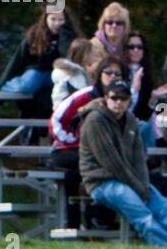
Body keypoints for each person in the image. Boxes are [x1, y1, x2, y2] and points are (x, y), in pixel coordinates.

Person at [79, 79, 167, 248]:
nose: (119, 102)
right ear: (106, 98)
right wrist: (139, 187)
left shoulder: (130, 120)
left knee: (163, 206)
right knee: (141, 213)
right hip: (101, 181)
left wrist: (143, 185)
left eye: (124, 98)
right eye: (114, 98)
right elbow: (112, 162)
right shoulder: (95, 120)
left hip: (130, 179)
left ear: (129, 100)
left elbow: (139, 158)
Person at [46, 59, 126, 228]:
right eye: (108, 73)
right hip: (68, 150)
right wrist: (74, 140)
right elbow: (56, 120)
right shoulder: (85, 95)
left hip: (100, 153)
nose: (113, 77)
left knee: (113, 165)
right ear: (99, 75)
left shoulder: (122, 99)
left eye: (117, 74)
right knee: (101, 165)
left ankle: (100, 219)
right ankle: (81, 221)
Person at [0, 4, 76, 116]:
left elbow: (68, 59)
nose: (57, 23)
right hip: (37, 72)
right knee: (30, 83)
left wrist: (64, 35)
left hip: (57, 75)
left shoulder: (70, 35)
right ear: (46, 19)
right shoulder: (34, 35)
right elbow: (17, 61)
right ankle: (4, 89)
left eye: (60, 20)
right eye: (53, 19)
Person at [51, 37, 95, 109]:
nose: (94, 56)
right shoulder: (74, 75)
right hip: (67, 111)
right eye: (92, 53)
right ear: (85, 55)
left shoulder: (77, 72)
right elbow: (83, 96)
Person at [87, 2, 131, 67]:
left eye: (118, 23)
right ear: (103, 25)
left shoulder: (130, 45)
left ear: (125, 26)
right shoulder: (93, 46)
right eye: (110, 22)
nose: (114, 26)